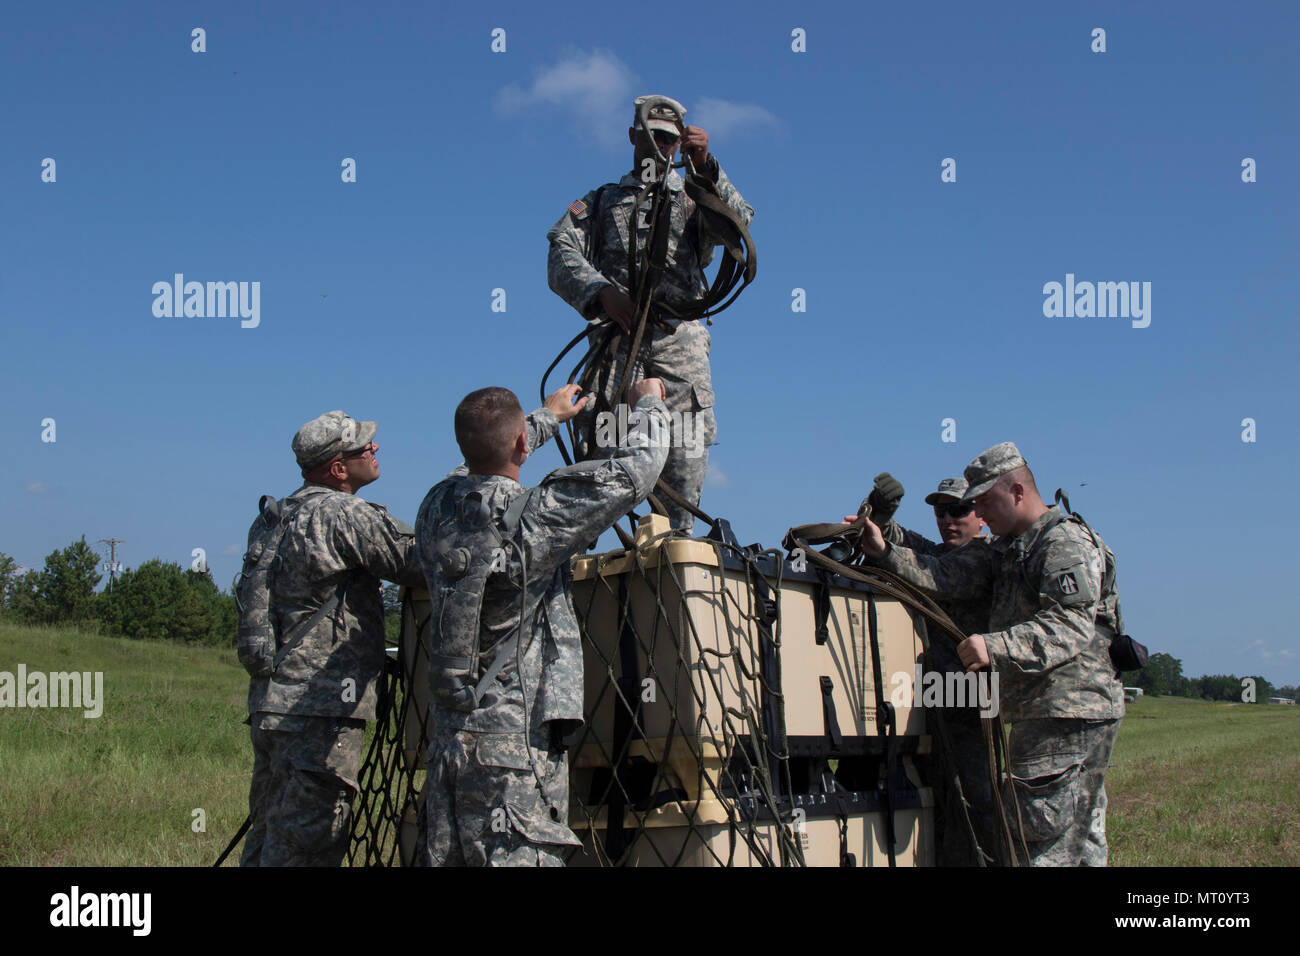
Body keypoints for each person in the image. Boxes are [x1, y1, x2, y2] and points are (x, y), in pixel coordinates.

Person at [414, 380, 670, 866]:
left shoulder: (437, 509)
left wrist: (543, 420)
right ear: (520, 444)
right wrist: (649, 402)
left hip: (449, 746)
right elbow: (639, 470)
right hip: (512, 750)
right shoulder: (534, 518)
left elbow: (471, 463)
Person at [856, 443, 1125, 866]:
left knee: (1037, 837)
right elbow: (944, 572)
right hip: (1048, 707)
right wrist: (886, 550)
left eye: (982, 501)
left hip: (1064, 709)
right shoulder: (1007, 549)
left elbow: (1070, 625)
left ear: (1017, 491)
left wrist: (993, 645)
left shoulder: (1062, 543)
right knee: (1079, 838)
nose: (978, 513)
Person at [546, 95, 754, 533]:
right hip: (618, 344)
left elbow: (740, 226)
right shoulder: (603, 201)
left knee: (686, 453)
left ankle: (677, 551)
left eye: (672, 140)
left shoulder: (697, 196)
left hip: (681, 349)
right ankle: (573, 561)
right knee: (603, 457)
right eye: (655, 137)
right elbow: (561, 247)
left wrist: (707, 167)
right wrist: (602, 293)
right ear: (633, 136)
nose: (665, 147)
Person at [241, 411, 424, 867]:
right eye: (364, 447)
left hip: (272, 702)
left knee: (268, 834)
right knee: (308, 842)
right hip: (319, 708)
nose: (375, 450)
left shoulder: (275, 517)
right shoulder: (344, 514)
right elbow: (420, 562)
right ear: (338, 468)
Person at [852, 473, 997, 864]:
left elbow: (931, 573)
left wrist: (883, 552)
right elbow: (904, 542)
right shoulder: (942, 553)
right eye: (940, 512)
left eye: (959, 511)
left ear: (981, 515)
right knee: (939, 800)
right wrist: (880, 513)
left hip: (973, 706)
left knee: (975, 804)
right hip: (937, 701)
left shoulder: (983, 559)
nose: (948, 520)